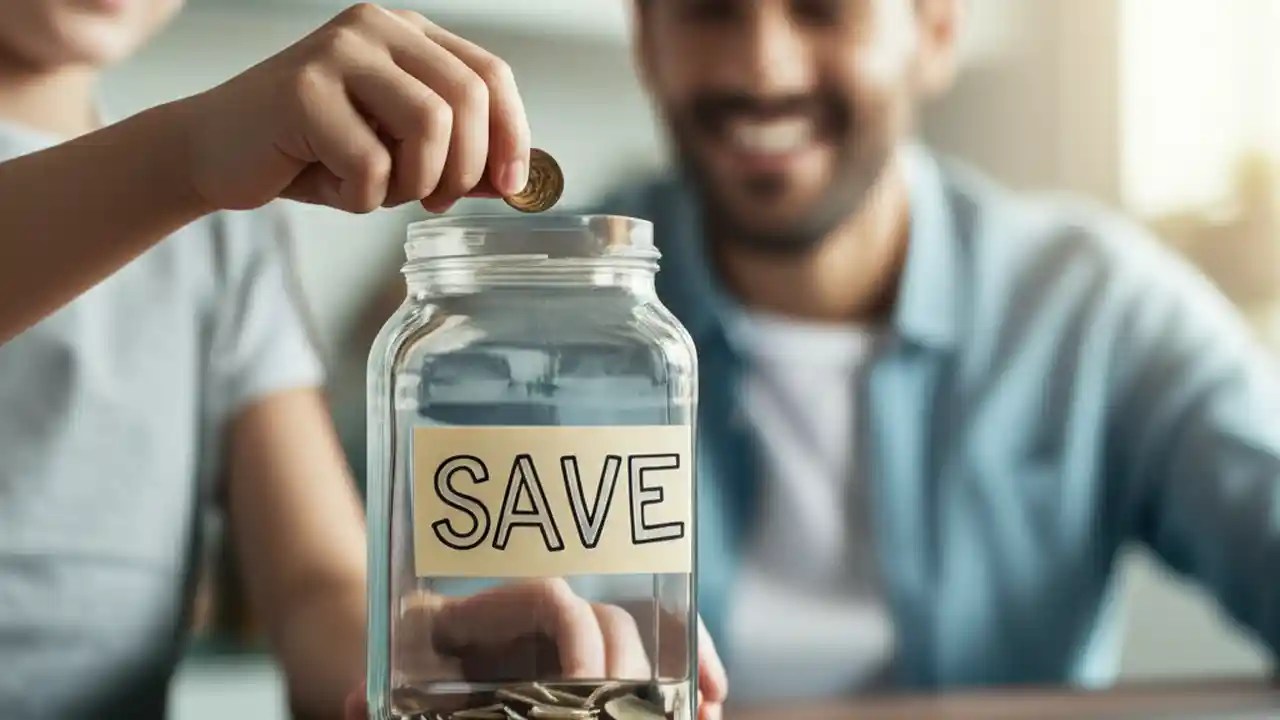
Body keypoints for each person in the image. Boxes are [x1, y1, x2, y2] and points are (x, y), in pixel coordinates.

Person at [0, 2, 726, 719]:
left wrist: (426, 659)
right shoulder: (198, 175)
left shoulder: (222, 239)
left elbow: (316, 585)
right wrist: (183, 156)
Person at [578, 0, 1280, 702]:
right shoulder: (530, 321)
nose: (763, 66)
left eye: (823, 11)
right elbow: (473, 630)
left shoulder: (1097, 314)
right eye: (708, 11)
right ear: (646, 39)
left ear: (935, 32)